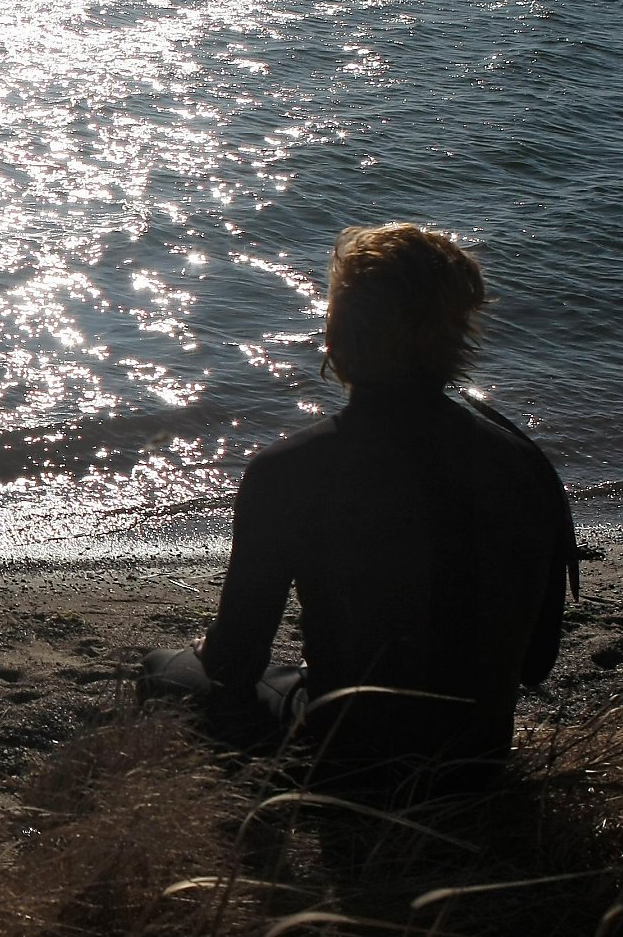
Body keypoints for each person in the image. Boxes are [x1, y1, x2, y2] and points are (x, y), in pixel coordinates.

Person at [141, 223, 578, 794]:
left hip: (349, 767)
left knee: (163, 669)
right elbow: (536, 663)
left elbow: (234, 661)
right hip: (478, 764)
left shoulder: (290, 469)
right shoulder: (524, 463)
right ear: (458, 330)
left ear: (340, 330)